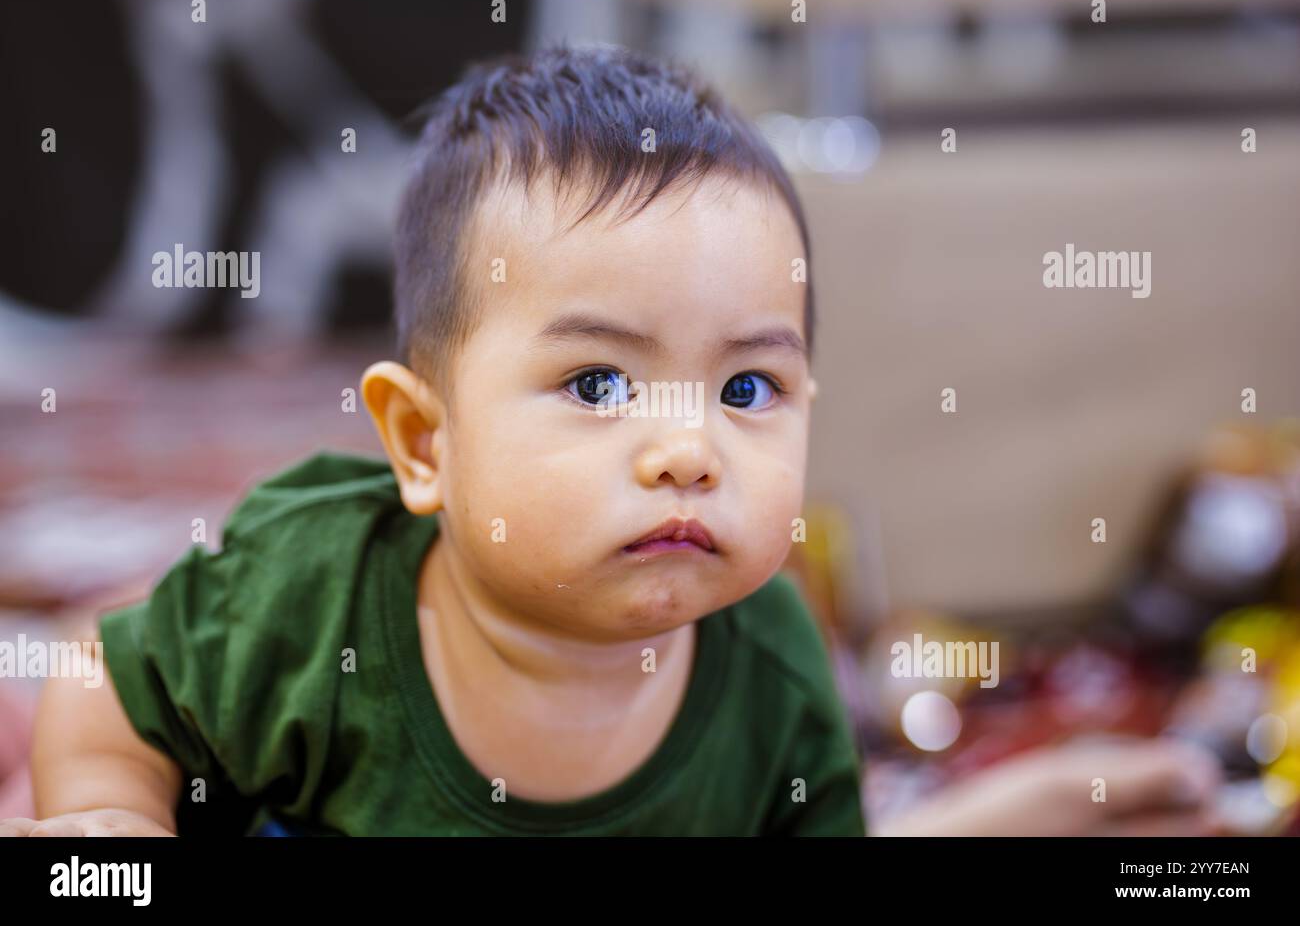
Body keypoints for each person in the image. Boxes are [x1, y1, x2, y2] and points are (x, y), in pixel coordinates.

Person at [5, 44, 865, 836]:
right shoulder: (307, 604)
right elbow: (107, 684)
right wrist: (108, 816)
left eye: (747, 389)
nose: (689, 450)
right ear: (424, 442)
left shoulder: (777, 674)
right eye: (598, 384)